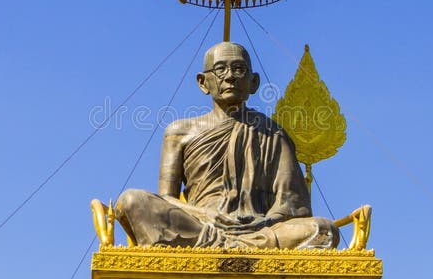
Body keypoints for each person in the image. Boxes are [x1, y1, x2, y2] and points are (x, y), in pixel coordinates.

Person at [115, 42, 339, 250]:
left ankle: (232, 245)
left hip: (260, 228)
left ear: (253, 82)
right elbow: (167, 199)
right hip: (200, 225)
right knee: (131, 200)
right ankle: (232, 245)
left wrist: (264, 221)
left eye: (239, 69)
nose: (230, 76)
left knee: (324, 229)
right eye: (220, 69)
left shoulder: (272, 133)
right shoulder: (179, 131)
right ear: (203, 82)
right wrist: (205, 215)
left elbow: (295, 205)